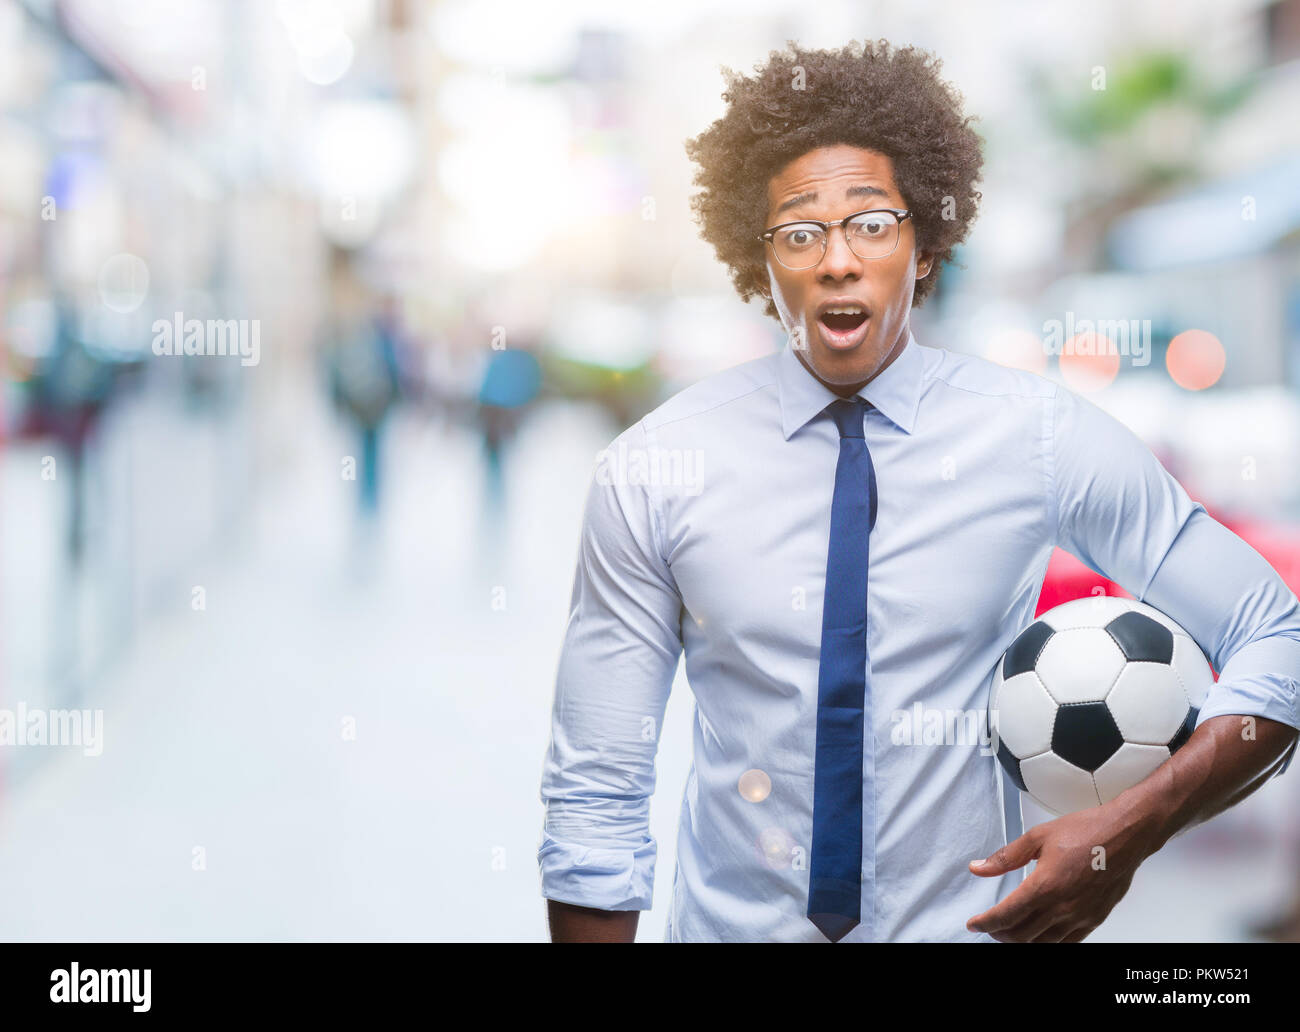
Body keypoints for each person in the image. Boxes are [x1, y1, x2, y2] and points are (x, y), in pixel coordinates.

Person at [537, 40, 1300, 943]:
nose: (837, 261)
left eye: (872, 222)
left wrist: (1128, 831)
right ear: (760, 260)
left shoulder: (1040, 435)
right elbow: (598, 788)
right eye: (798, 231)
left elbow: (1276, 635)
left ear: (926, 245)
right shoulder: (653, 470)